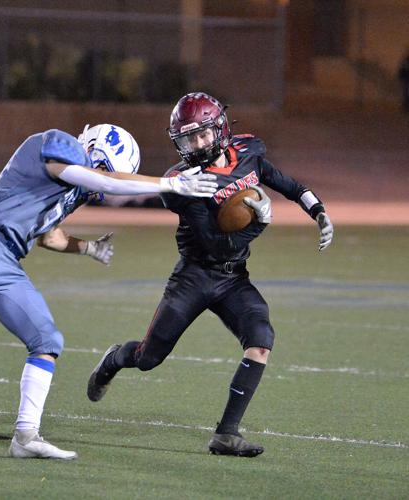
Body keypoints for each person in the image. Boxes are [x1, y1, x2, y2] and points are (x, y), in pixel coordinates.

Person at [0, 123, 218, 460]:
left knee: (46, 340)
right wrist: (170, 183)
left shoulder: (73, 188)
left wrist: (88, 249)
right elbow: (103, 181)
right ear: (95, 153)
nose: (100, 184)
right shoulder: (57, 145)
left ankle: (25, 436)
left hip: (7, 262)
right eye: (102, 170)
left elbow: (48, 234)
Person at [86, 92, 335, 458]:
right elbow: (217, 245)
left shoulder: (248, 151)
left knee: (261, 338)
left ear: (219, 128)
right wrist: (259, 224)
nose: (198, 144)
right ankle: (113, 359)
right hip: (195, 276)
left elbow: (285, 183)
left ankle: (226, 434)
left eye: (202, 134)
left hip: (234, 278)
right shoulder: (185, 183)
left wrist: (318, 211)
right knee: (148, 358)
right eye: (189, 138)